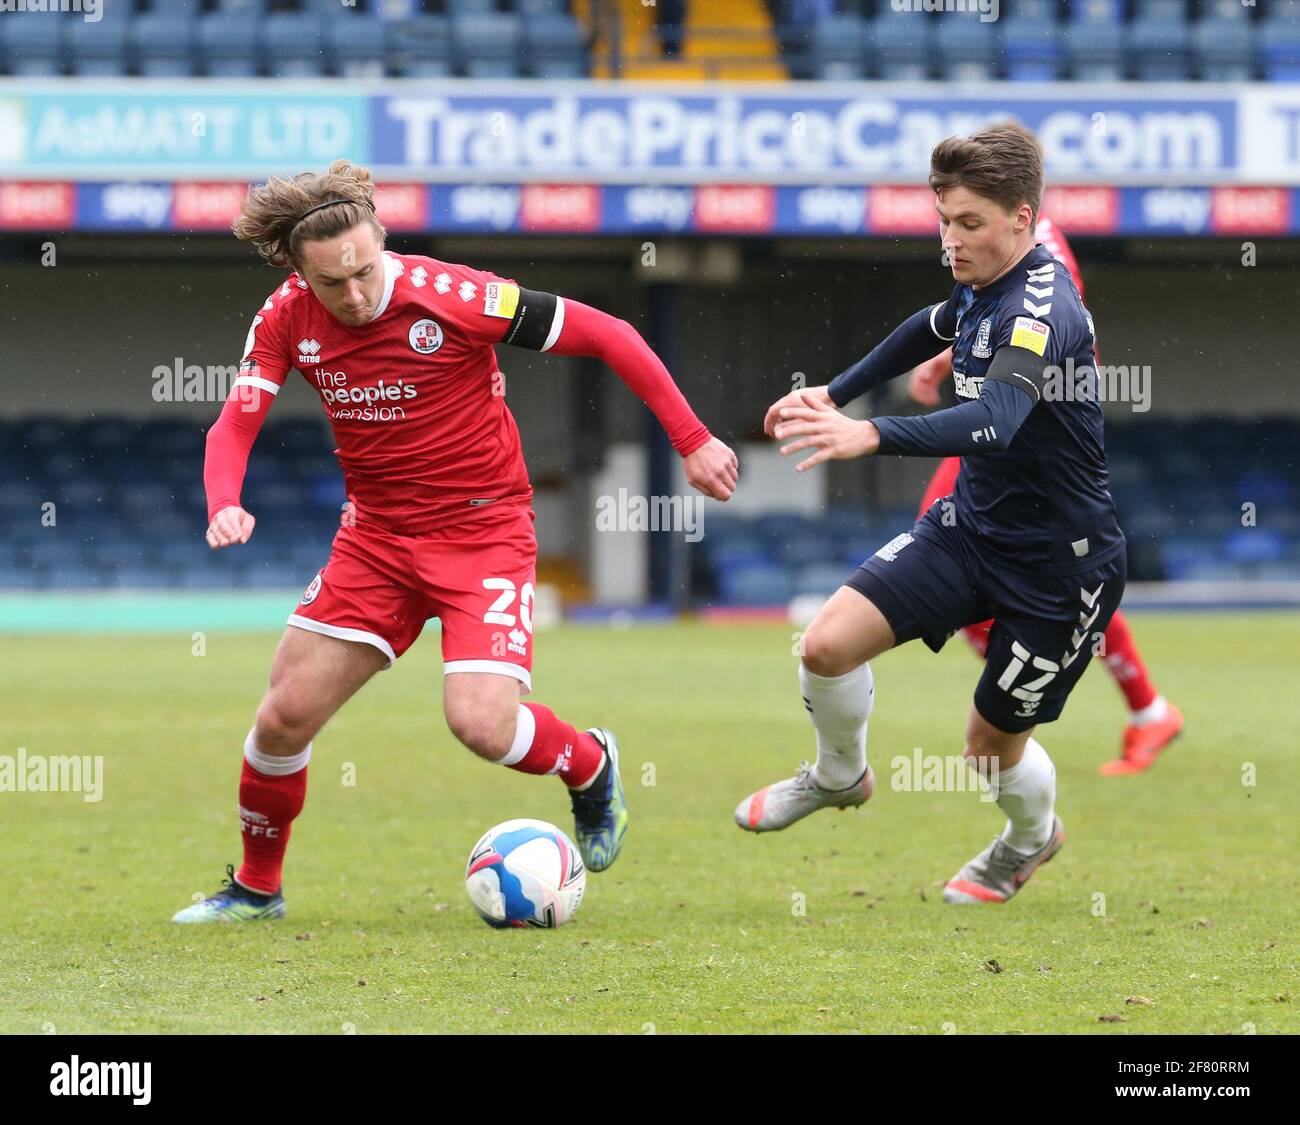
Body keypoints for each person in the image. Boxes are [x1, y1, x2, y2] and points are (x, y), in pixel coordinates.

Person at [173, 160, 738, 923]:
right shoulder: (283, 317)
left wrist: (693, 438)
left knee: (480, 724)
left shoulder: (457, 295)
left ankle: (591, 763)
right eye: (332, 283)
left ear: (382, 241)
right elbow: (235, 420)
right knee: (280, 719)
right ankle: (256, 888)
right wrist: (224, 502)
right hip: (375, 539)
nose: (356, 293)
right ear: (301, 274)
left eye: (365, 271)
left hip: (483, 531)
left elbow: (610, 333)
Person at [735, 124, 1124, 905]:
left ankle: (1027, 839)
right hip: (971, 529)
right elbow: (932, 323)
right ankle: (840, 775)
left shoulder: (1041, 308)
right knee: (825, 645)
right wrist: (834, 392)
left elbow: (997, 420)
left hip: (1060, 566)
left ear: (1023, 217)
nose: (952, 240)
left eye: (970, 224)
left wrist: (867, 431)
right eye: (943, 221)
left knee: (988, 747)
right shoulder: (980, 283)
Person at [907, 204, 1182, 777]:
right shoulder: (1013, 235)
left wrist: (939, 369)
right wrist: (944, 359)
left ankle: (1030, 688)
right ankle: (1142, 707)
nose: (953, 228)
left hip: (1028, 427)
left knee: (950, 539)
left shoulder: (1038, 250)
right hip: (1019, 421)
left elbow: (1036, 330)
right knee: (984, 551)